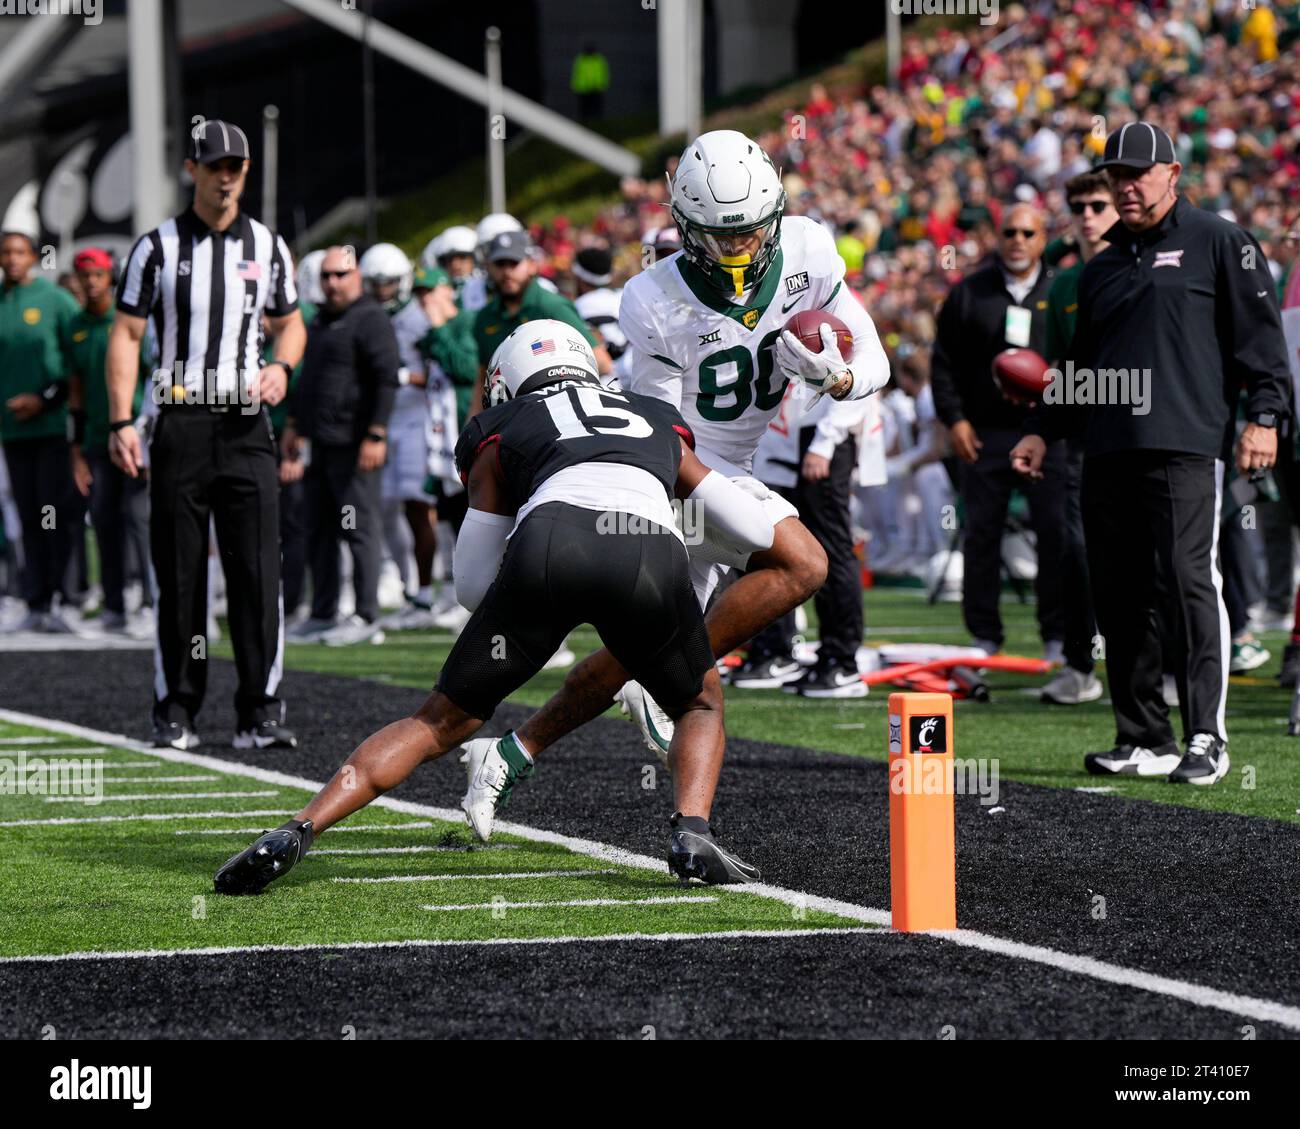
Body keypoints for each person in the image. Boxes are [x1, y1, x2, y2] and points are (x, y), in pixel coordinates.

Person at [213, 322, 775, 894]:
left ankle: (300, 827)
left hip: (549, 543)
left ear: (507, 380)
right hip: (649, 552)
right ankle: (692, 832)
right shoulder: (653, 415)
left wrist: (534, 592)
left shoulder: (499, 426)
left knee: (437, 722)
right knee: (699, 703)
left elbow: (473, 587)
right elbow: (753, 527)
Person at [463, 130, 889, 767]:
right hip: (685, 469)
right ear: (686, 226)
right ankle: (491, 720)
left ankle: (513, 752)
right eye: (723, 234)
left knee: (654, 655)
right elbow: (662, 422)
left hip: (736, 464)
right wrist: (677, 494)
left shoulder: (808, 247)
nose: (740, 245)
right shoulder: (654, 297)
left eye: (750, 229)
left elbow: (874, 358)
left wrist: (838, 377)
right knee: (797, 570)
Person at [1012, 122, 1291, 785]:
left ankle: (1206, 737)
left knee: (1189, 583)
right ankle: (1143, 735)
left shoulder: (1221, 241)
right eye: (1116, 175)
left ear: (1173, 172)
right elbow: (1081, 364)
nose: (1125, 185)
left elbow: (1263, 342)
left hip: (1187, 442)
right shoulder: (1101, 266)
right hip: (1107, 449)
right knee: (1119, 592)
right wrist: (1041, 429)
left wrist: (1267, 417)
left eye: (1138, 173)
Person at [110, 119, 306, 751]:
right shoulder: (157, 248)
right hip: (181, 419)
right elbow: (128, 335)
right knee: (181, 570)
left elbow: (291, 324)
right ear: (191, 169)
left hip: (247, 423)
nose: (226, 177)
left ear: (246, 172)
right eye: (215, 165)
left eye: (236, 167)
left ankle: (261, 709)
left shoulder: (268, 245)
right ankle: (176, 707)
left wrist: (282, 366)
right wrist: (120, 420)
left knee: (256, 570)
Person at [930, 202, 1065, 660]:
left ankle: (1058, 634)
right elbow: (943, 363)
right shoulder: (970, 293)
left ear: (1043, 237)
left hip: (1048, 432)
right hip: (986, 432)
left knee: (1057, 533)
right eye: (1010, 232)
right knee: (982, 534)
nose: (1018, 241)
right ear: (997, 236)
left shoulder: (1063, 290)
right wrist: (956, 420)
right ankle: (984, 635)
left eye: (1029, 232)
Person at [283, 245, 399, 646]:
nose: (332, 282)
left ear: (358, 278)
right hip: (321, 445)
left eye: (341, 275)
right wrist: (296, 424)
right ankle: (323, 611)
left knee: (357, 528)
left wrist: (376, 433)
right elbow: (308, 380)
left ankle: (366, 614)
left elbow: (386, 379)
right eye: (327, 275)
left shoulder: (370, 320)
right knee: (319, 528)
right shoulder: (319, 321)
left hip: (354, 446)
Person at [1037, 171, 1116, 706]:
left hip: (1143, 430)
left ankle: (1162, 668)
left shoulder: (1143, 269)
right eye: (1079, 205)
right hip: (1081, 438)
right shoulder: (1063, 285)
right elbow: (1059, 370)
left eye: (1097, 204)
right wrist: (1042, 430)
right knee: (1075, 551)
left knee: (1156, 557)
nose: (1087, 215)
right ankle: (1078, 661)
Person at [66, 247, 152, 635]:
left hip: (135, 436)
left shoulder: (133, 320)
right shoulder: (76, 326)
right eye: (84, 275)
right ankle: (114, 606)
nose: (90, 282)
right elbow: (77, 391)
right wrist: (77, 450)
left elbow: (156, 378)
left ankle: (152, 604)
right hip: (99, 442)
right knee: (103, 520)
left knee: (139, 519)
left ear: (110, 277)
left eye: (97, 274)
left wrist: (147, 429)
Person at [0, 230, 81, 632]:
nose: (12, 259)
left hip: (51, 428)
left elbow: (76, 360)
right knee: (28, 517)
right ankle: (34, 601)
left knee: (54, 513)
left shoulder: (54, 301)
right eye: (6, 252)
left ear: (33, 257)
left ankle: (63, 599)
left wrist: (43, 399)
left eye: (20, 252)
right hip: (13, 434)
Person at [468, 228, 611, 416]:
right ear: (489, 267)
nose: (507, 271)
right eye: (500, 263)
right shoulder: (484, 318)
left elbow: (601, 362)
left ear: (531, 265)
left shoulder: (552, 306)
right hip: (506, 421)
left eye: (514, 263)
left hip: (559, 415)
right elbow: (482, 379)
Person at [570, 41, 610, 121]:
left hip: (596, 88)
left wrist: (603, 85)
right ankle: (585, 124)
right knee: (584, 111)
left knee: (596, 110)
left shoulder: (599, 59)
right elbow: (576, 74)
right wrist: (575, 87)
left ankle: (597, 124)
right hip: (583, 90)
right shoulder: (581, 60)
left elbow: (604, 73)